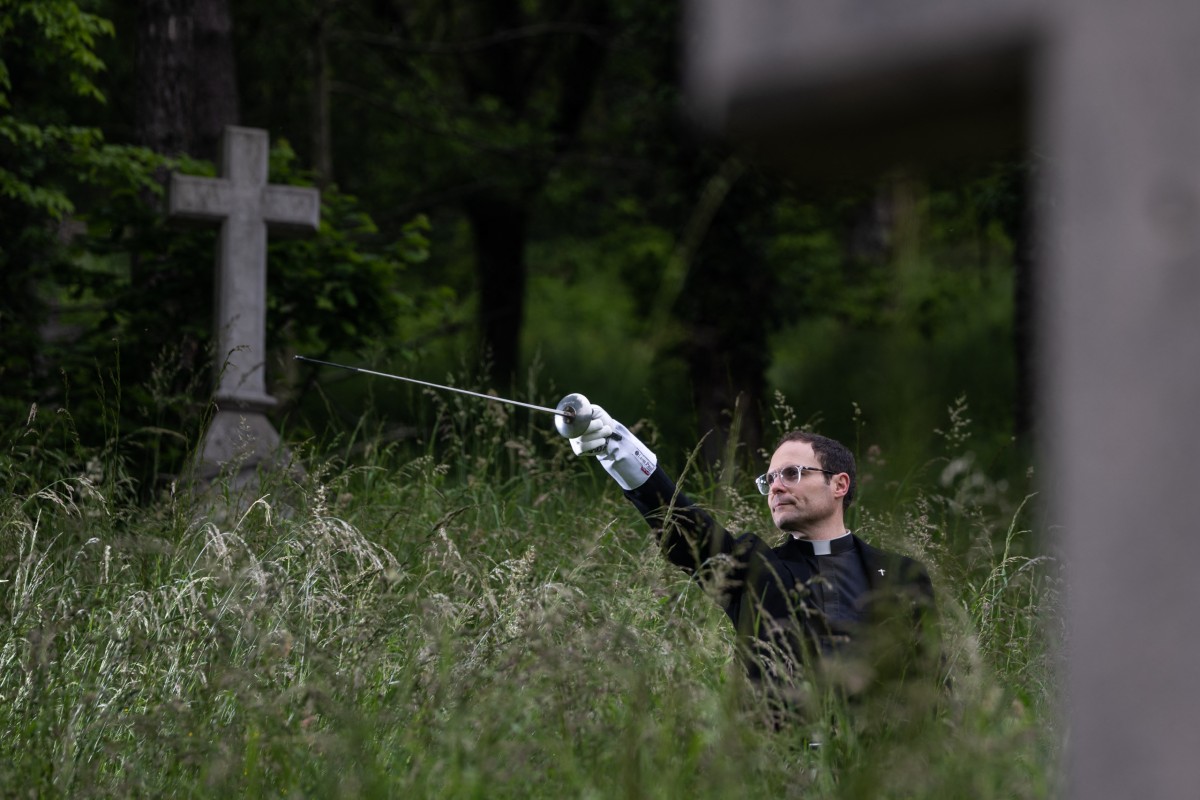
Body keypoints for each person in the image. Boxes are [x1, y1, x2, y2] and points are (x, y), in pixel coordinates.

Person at [561, 403, 939, 708]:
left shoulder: (903, 574)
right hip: (785, 764)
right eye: (769, 479)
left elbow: (933, 681)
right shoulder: (753, 568)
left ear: (839, 484)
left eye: (791, 473)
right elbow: (687, 530)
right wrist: (620, 449)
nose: (775, 486)